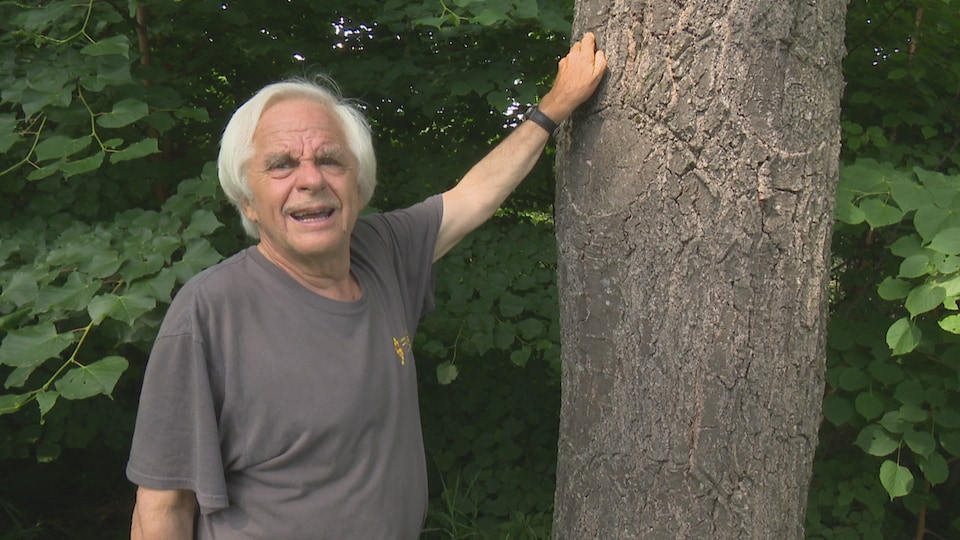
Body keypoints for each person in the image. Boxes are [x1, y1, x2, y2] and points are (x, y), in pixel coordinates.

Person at [126, 32, 606, 540]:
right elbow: (161, 506)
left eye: (330, 160)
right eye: (282, 164)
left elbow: (474, 195)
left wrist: (554, 107)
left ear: (358, 184)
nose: (310, 180)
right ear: (247, 200)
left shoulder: (383, 253)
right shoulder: (208, 313)